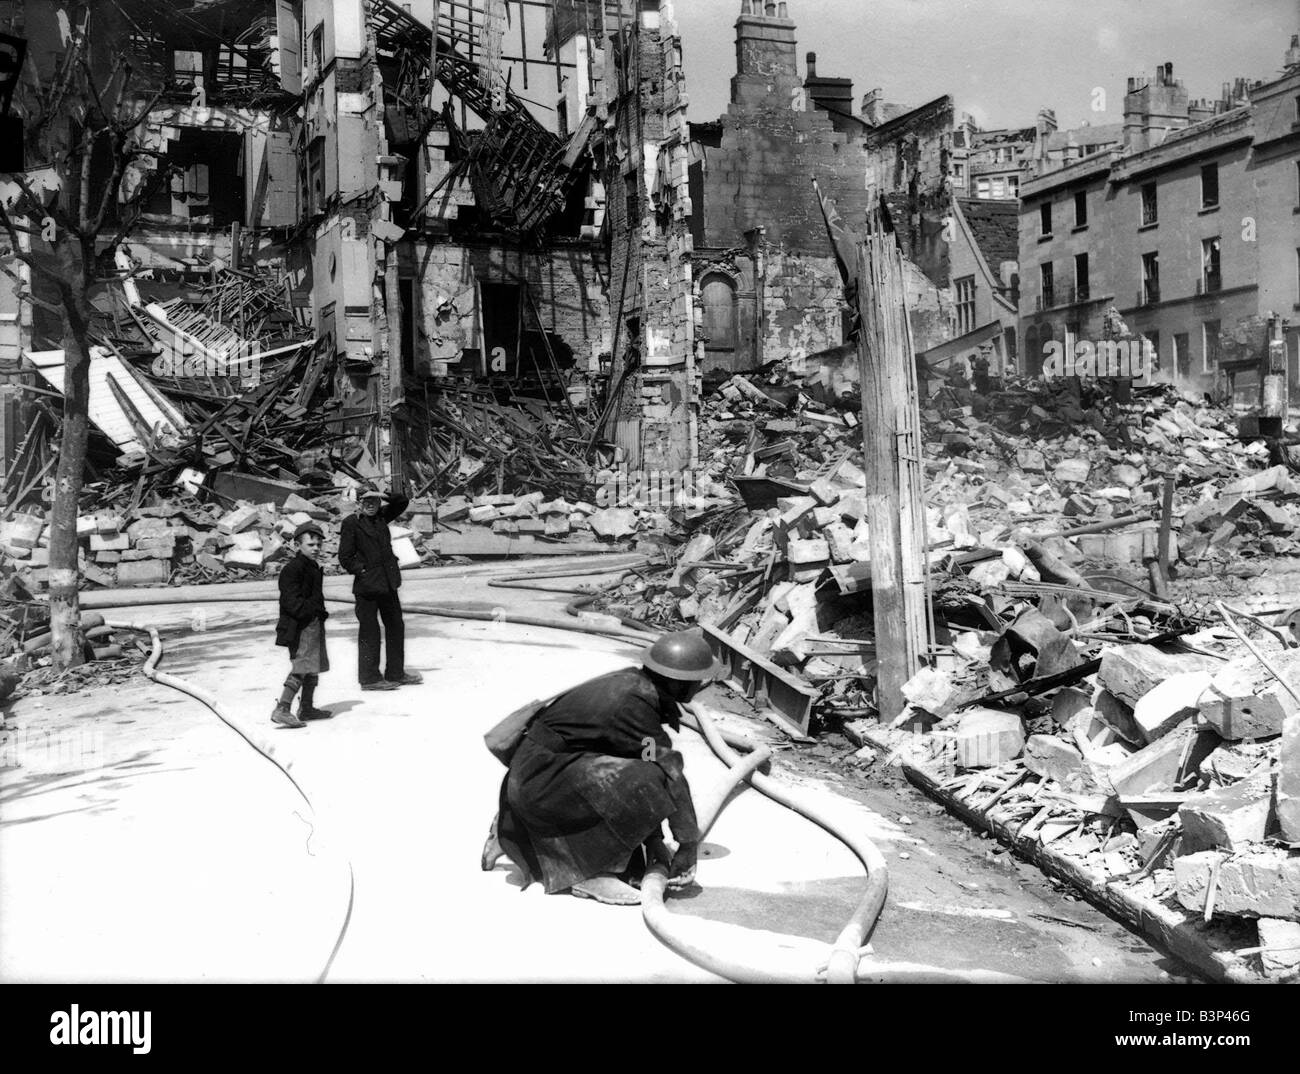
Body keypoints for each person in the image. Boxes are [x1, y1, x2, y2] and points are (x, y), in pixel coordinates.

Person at [486, 631, 721, 906]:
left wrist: (654, 841)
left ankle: (516, 829)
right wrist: (688, 843)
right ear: (679, 683)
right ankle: (589, 873)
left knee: (642, 771)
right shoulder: (633, 705)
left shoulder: (634, 683)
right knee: (650, 777)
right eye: (697, 681)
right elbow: (666, 771)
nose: (700, 686)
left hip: (536, 778)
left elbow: (636, 755)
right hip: (539, 784)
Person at [338, 485, 423, 690]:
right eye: (366, 501)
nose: (370, 505)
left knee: (396, 626)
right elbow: (345, 557)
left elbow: (401, 501)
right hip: (367, 587)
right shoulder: (352, 523)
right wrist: (363, 571)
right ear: (359, 504)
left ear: (379, 503)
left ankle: (395, 672)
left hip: (388, 583)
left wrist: (382, 494)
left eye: (374, 501)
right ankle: (370, 679)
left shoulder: (381, 517)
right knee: (370, 631)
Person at [272, 522, 334, 729]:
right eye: (311, 544)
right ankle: (282, 708)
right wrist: (312, 612)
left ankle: (306, 708)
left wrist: (319, 614)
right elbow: (290, 602)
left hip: (313, 623)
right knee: (302, 666)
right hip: (300, 626)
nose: (316, 548)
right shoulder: (293, 569)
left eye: (318, 544)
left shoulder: (312, 567)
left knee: (313, 666)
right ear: (298, 545)